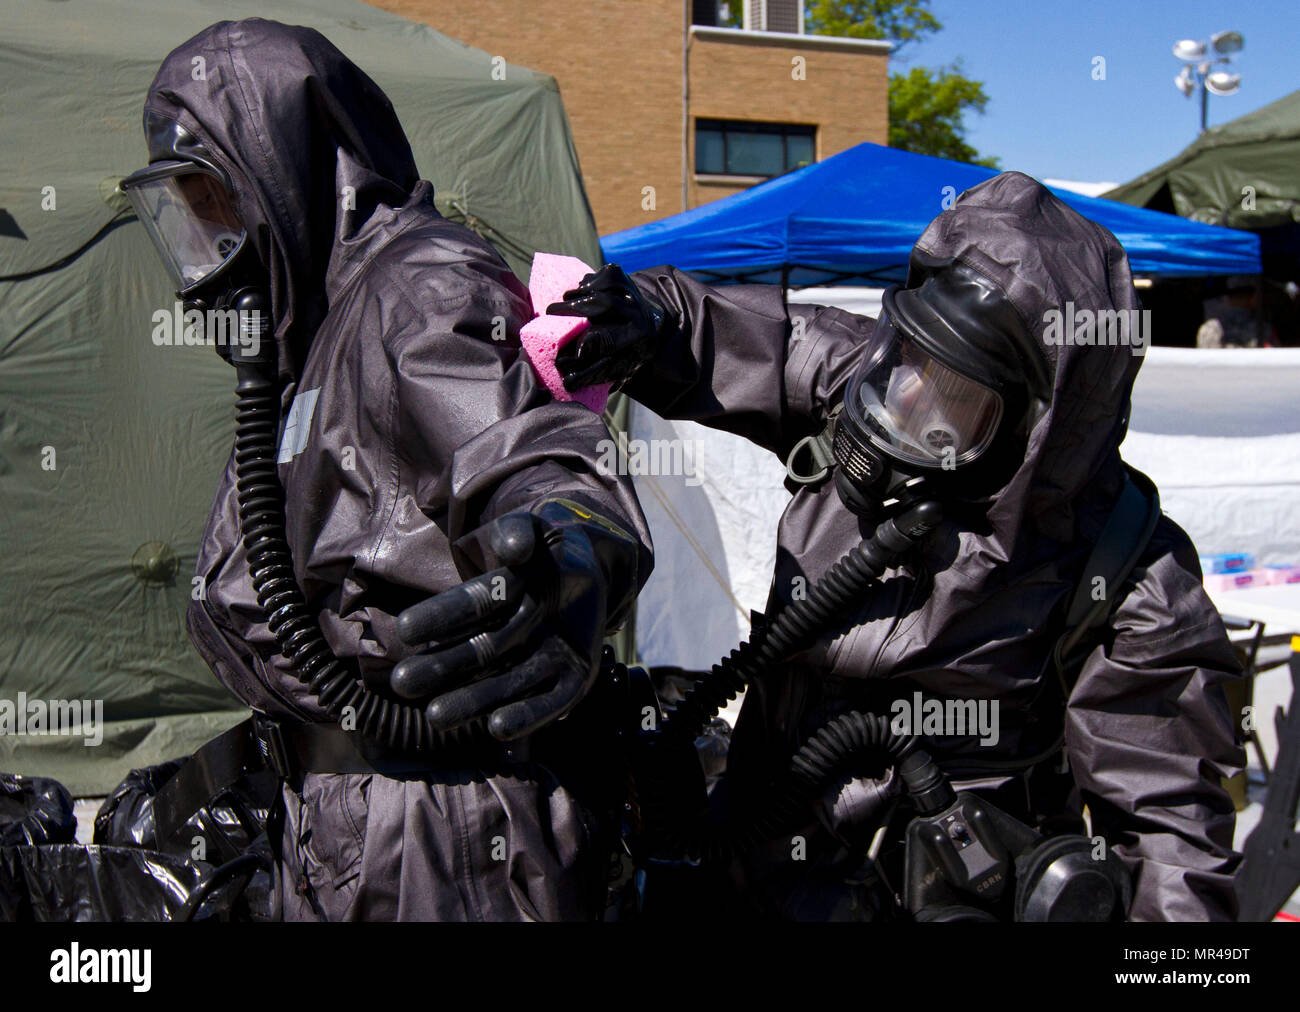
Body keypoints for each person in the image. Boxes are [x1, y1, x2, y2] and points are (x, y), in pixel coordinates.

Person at [550, 172, 1245, 921]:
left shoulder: (1123, 573)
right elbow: (751, 336)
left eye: (952, 398)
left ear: (1032, 433)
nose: (903, 404)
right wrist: (647, 323)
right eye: (904, 358)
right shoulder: (862, 384)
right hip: (748, 869)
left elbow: (1173, 845)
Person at [119, 19, 651, 921]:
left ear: (284, 169)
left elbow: (521, 447)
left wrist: (571, 550)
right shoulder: (325, 323)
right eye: (181, 224)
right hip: (362, 825)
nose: (203, 262)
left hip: (440, 842)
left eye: (213, 206)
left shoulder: (420, 288)